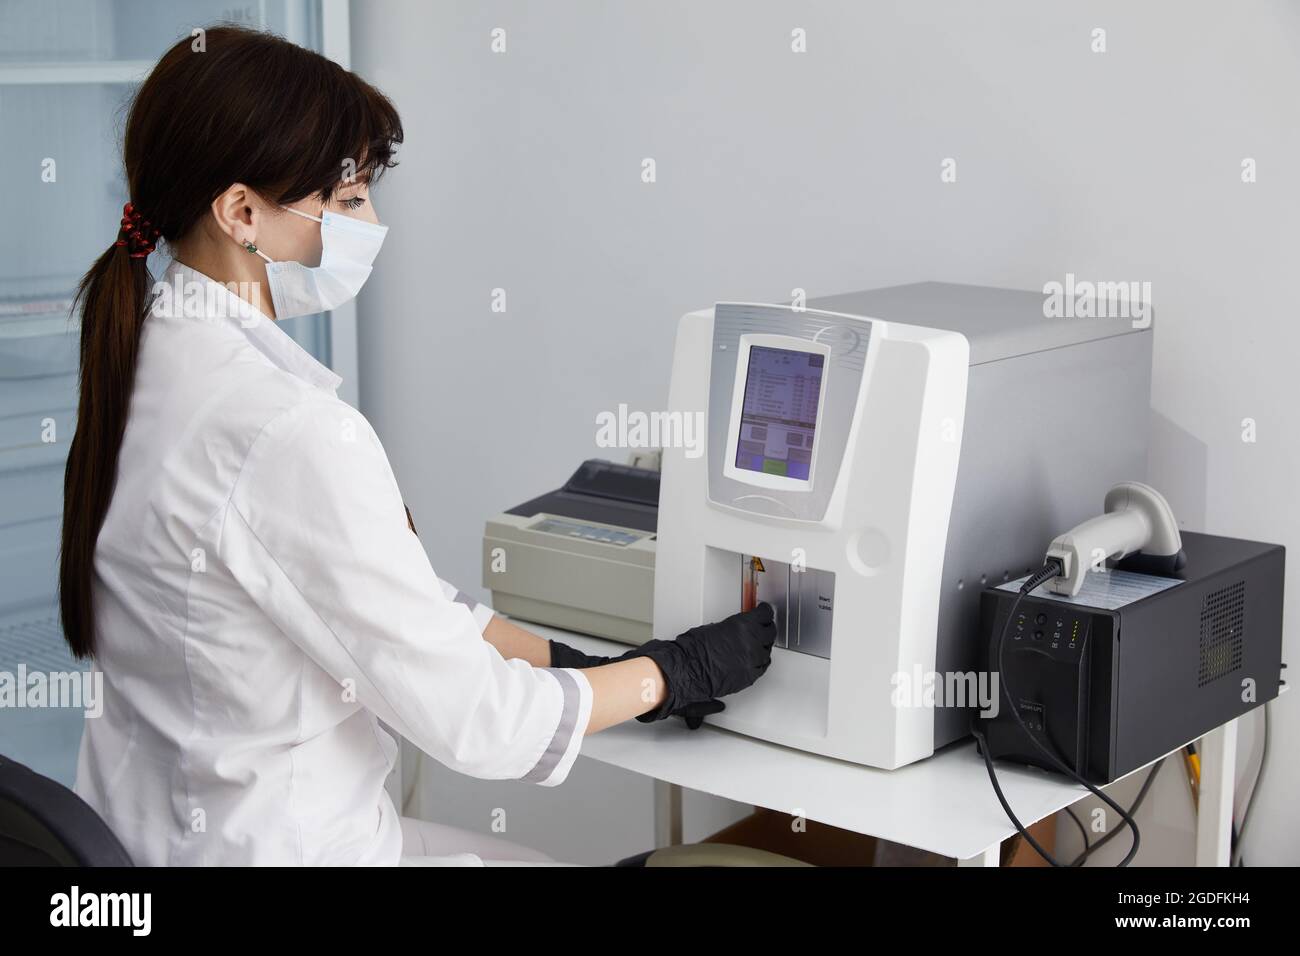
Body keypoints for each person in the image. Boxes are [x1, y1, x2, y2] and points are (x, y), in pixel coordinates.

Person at [61, 26, 774, 866]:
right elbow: (482, 725)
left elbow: (407, 612)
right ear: (241, 212)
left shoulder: (144, 355)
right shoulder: (284, 429)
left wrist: (580, 662)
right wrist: (670, 673)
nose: (369, 223)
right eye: (347, 197)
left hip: (169, 841)